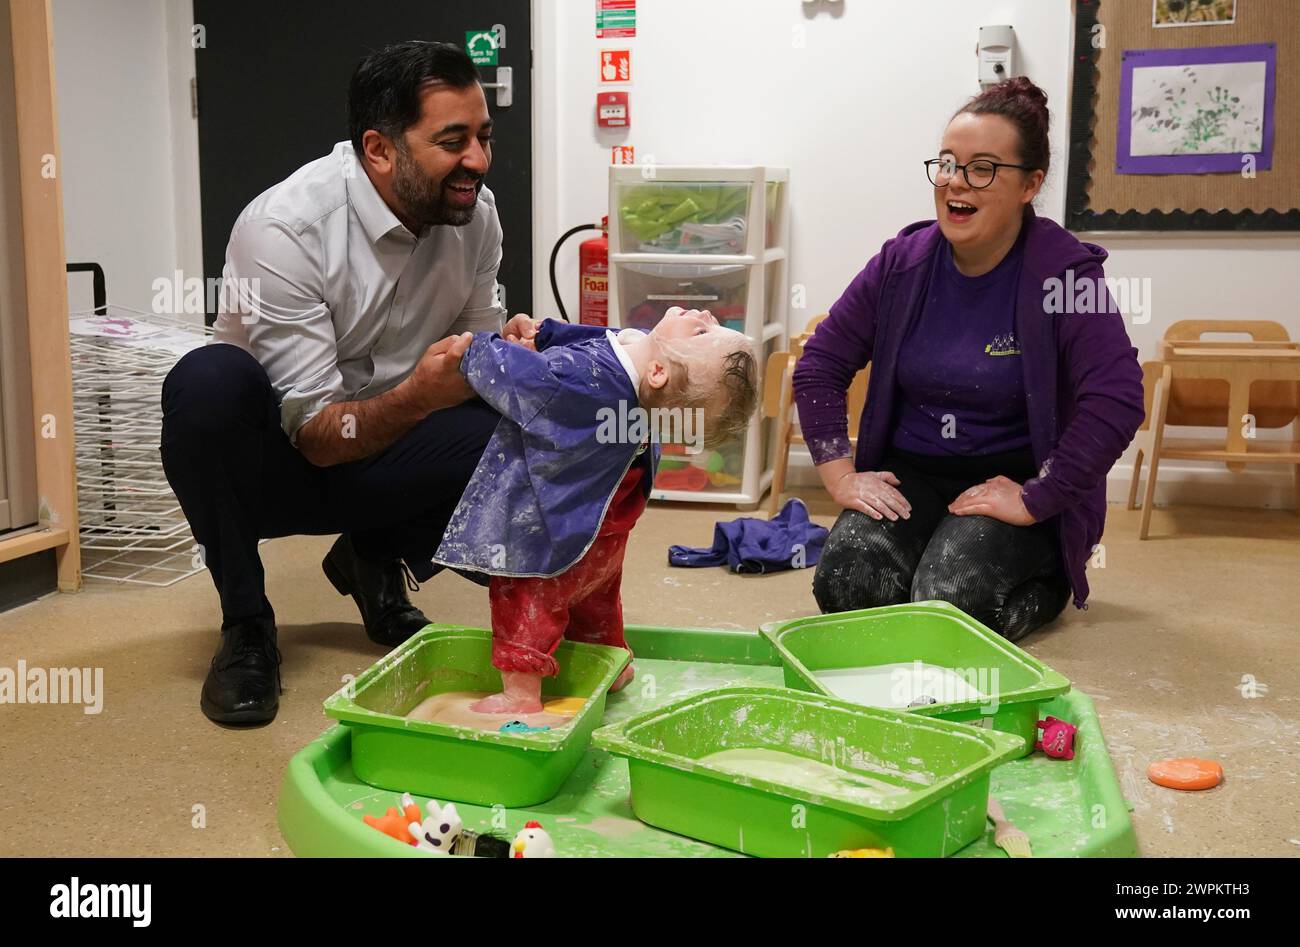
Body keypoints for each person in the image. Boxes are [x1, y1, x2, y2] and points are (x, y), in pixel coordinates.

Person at [160, 41, 534, 725]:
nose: (478, 161)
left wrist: (511, 356)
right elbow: (320, 437)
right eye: (453, 141)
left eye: (483, 137)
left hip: (386, 448)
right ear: (379, 149)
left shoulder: (475, 218)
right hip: (284, 461)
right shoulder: (286, 228)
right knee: (205, 384)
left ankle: (373, 553)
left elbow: (474, 361)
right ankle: (246, 624)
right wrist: (424, 391)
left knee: (520, 429)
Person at [793, 77, 1144, 641]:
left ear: (1030, 184)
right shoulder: (900, 264)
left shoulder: (1065, 273)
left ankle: (1047, 575)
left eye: (982, 168)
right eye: (948, 164)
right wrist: (839, 477)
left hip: (1014, 480)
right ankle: (926, 564)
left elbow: (1117, 398)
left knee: (950, 604)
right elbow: (820, 365)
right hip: (914, 473)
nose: (957, 182)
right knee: (848, 585)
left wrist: (1038, 498)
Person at [431, 308, 758, 714]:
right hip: (603, 534)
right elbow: (606, 335)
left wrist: (476, 349)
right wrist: (547, 334)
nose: (707, 314)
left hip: (554, 532)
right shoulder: (640, 356)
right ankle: (612, 662)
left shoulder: (579, 378)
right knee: (596, 604)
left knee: (526, 598)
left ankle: (520, 694)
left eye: (701, 330)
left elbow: (523, 379)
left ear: (657, 372)